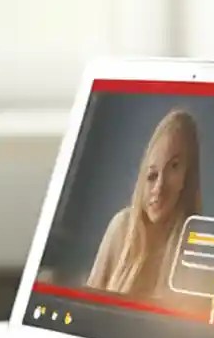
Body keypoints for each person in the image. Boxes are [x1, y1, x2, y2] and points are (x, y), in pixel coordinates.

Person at [86, 109, 203, 298]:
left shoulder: (195, 251)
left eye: (174, 167)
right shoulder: (121, 227)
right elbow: (86, 305)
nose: (159, 187)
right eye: (152, 175)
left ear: (188, 177)